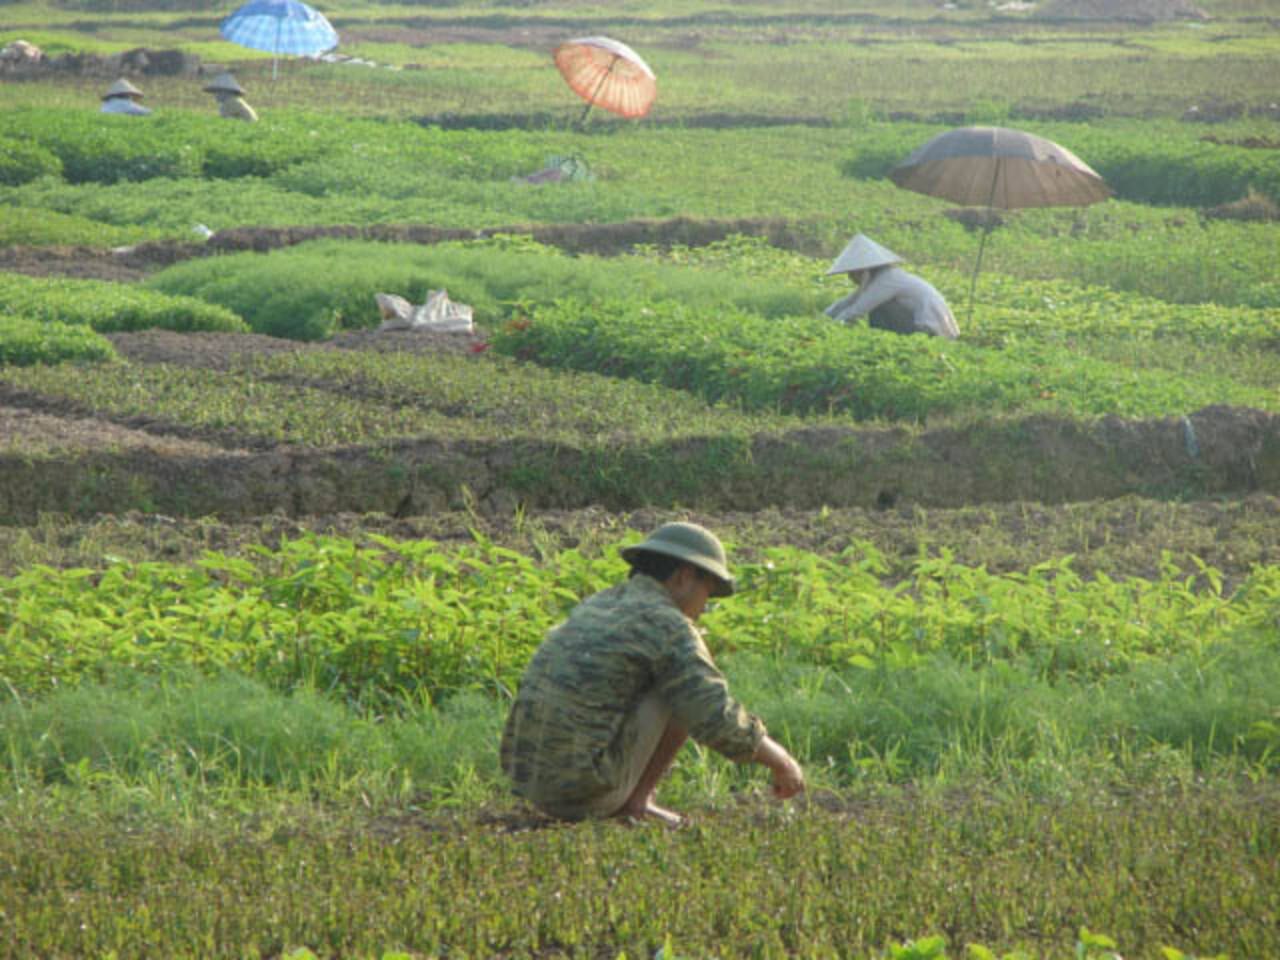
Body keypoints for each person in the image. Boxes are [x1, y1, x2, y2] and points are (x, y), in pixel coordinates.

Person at [500, 521, 805, 825]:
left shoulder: (596, 605)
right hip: (584, 792)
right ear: (684, 578)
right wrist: (782, 761)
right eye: (707, 594)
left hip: (531, 783)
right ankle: (636, 803)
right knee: (682, 687)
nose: (703, 609)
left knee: (666, 678)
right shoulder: (667, 625)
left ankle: (632, 799)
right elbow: (712, 713)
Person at [823, 233, 959, 339]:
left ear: (863, 270)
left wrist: (829, 328)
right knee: (877, 305)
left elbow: (858, 309)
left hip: (932, 331)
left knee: (879, 307)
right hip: (923, 326)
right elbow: (852, 298)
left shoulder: (888, 279)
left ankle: (881, 341)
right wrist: (825, 317)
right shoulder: (882, 278)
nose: (852, 279)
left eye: (853, 274)